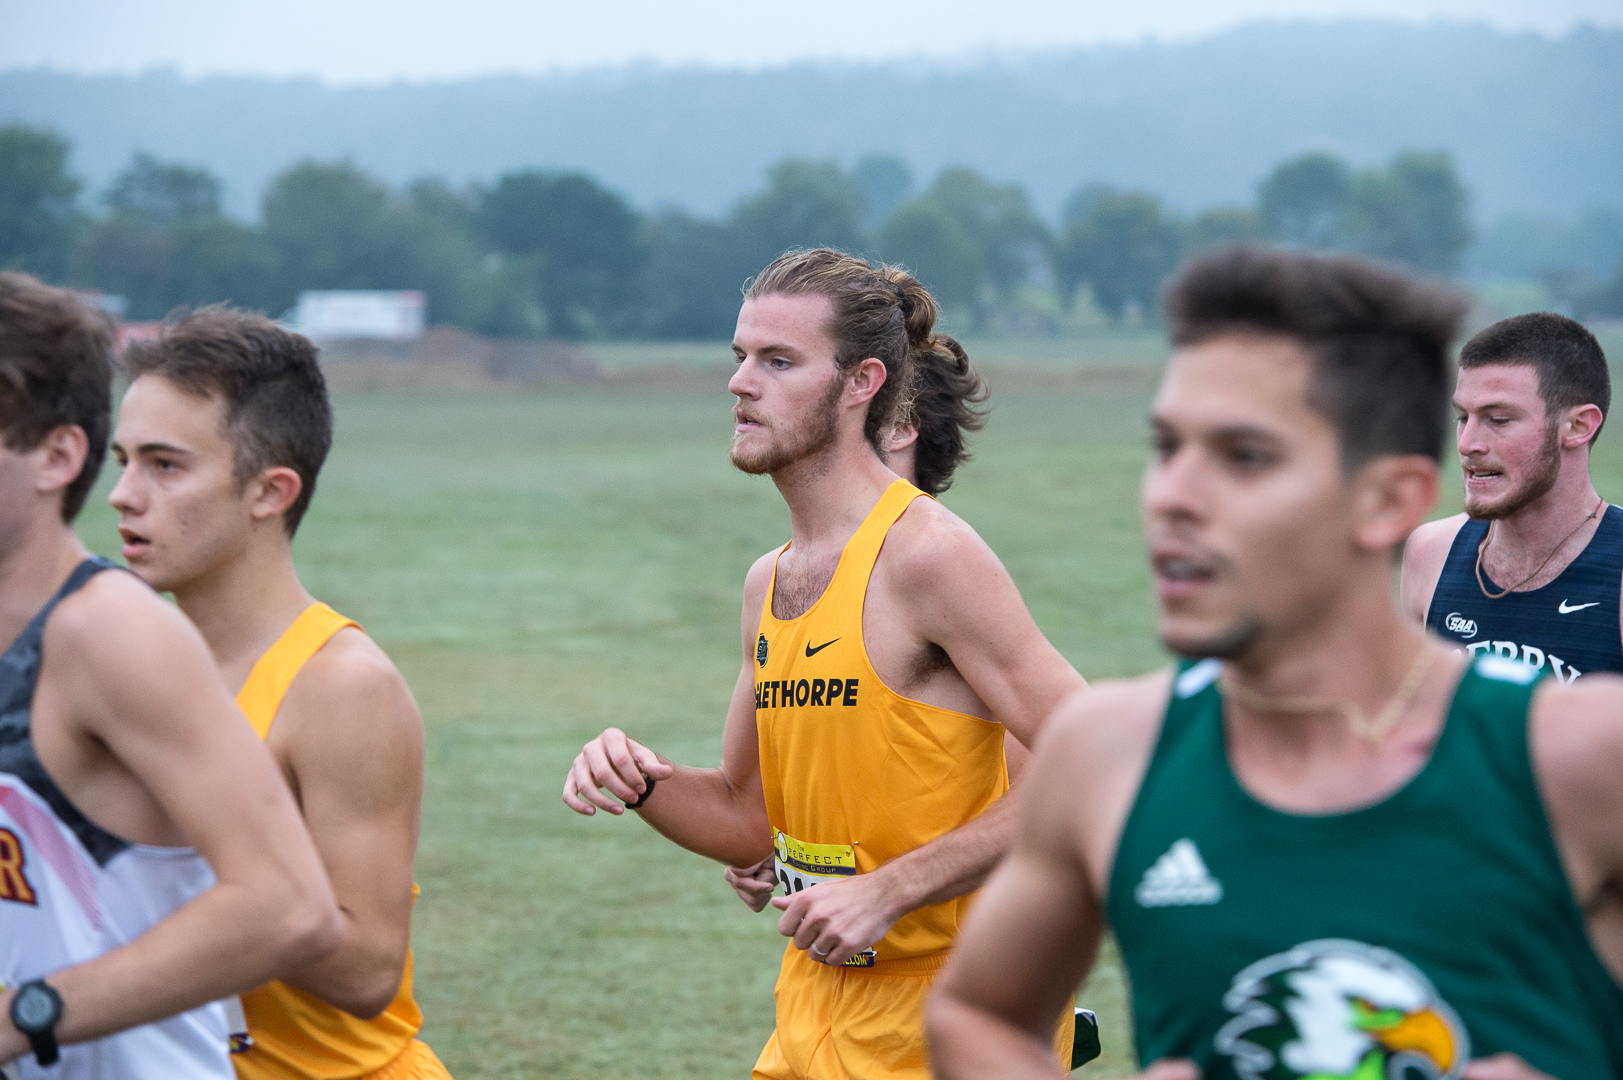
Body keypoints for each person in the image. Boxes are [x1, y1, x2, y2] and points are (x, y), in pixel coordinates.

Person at [927, 247, 1623, 1080]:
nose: (1172, 494)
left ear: (1388, 500)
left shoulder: (1580, 757)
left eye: (1244, 455)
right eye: (1166, 446)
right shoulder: (1107, 752)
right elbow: (976, 1014)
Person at [562, 248, 1086, 1079]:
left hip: (949, 1014)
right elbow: (743, 818)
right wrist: (638, 778)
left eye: (777, 361)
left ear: (860, 382)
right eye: (739, 358)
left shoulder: (928, 558)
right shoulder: (767, 582)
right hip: (811, 1008)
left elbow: (1097, 763)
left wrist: (891, 889)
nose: (740, 383)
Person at [0, 273, 342, 1079]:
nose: (129, 494)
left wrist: (26, 1015)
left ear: (55, 455)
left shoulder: (109, 631)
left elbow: (290, 909)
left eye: (164, 464)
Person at [106, 307, 451, 1080]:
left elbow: (366, 971)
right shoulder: (117, 662)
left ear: (270, 492)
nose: (123, 495)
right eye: (121, 460)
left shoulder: (341, 686)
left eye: (165, 465)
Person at [1402, 313, 1619, 681]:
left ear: (1579, 426)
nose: (1468, 444)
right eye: (1462, 417)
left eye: (1498, 419)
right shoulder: (1429, 552)